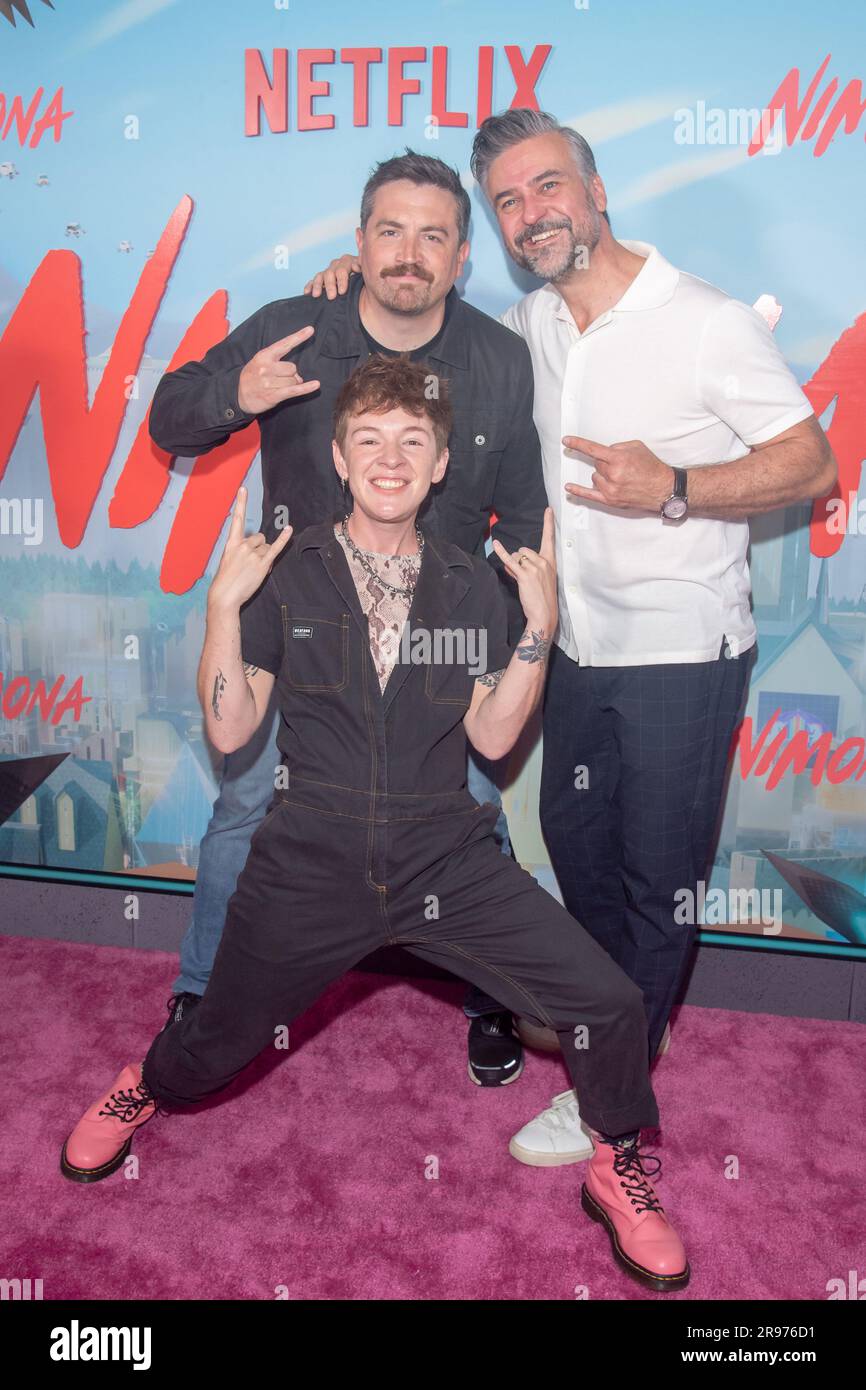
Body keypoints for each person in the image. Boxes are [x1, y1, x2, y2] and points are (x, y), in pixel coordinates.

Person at [61, 356, 689, 1293]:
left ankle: (615, 1165)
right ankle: (145, 1081)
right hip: (311, 854)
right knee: (209, 1051)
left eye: (412, 442)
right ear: (342, 461)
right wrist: (222, 610)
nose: (390, 460)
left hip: (446, 853)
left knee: (607, 1003)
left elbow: (491, 734)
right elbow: (232, 728)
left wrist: (536, 633)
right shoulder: (288, 575)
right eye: (370, 442)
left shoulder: (474, 588)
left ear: (439, 464)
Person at [306, 107, 837, 1167]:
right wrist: (349, 281)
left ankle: (611, 1100)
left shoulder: (702, 319)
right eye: (505, 200)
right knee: (580, 857)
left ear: (595, 192)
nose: (527, 212)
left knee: (656, 873)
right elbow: (422, 334)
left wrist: (676, 487)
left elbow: (811, 465)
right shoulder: (534, 325)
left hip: (679, 655)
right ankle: (628, 1013)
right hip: (570, 652)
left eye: (545, 186)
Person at [148, 151, 551, 1087]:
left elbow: (524, 520)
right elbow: (171, 422)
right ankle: (207, 992)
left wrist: (496, 644)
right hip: (294, 626)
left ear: (460, 258)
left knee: (471, 819)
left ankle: (486, 999)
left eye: (434, 235)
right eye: (390, 230)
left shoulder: (497, 360)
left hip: (439, 638)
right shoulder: (295, 329)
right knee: (248, 806)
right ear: (358, 241)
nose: (409, 252)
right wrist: (231, 397)